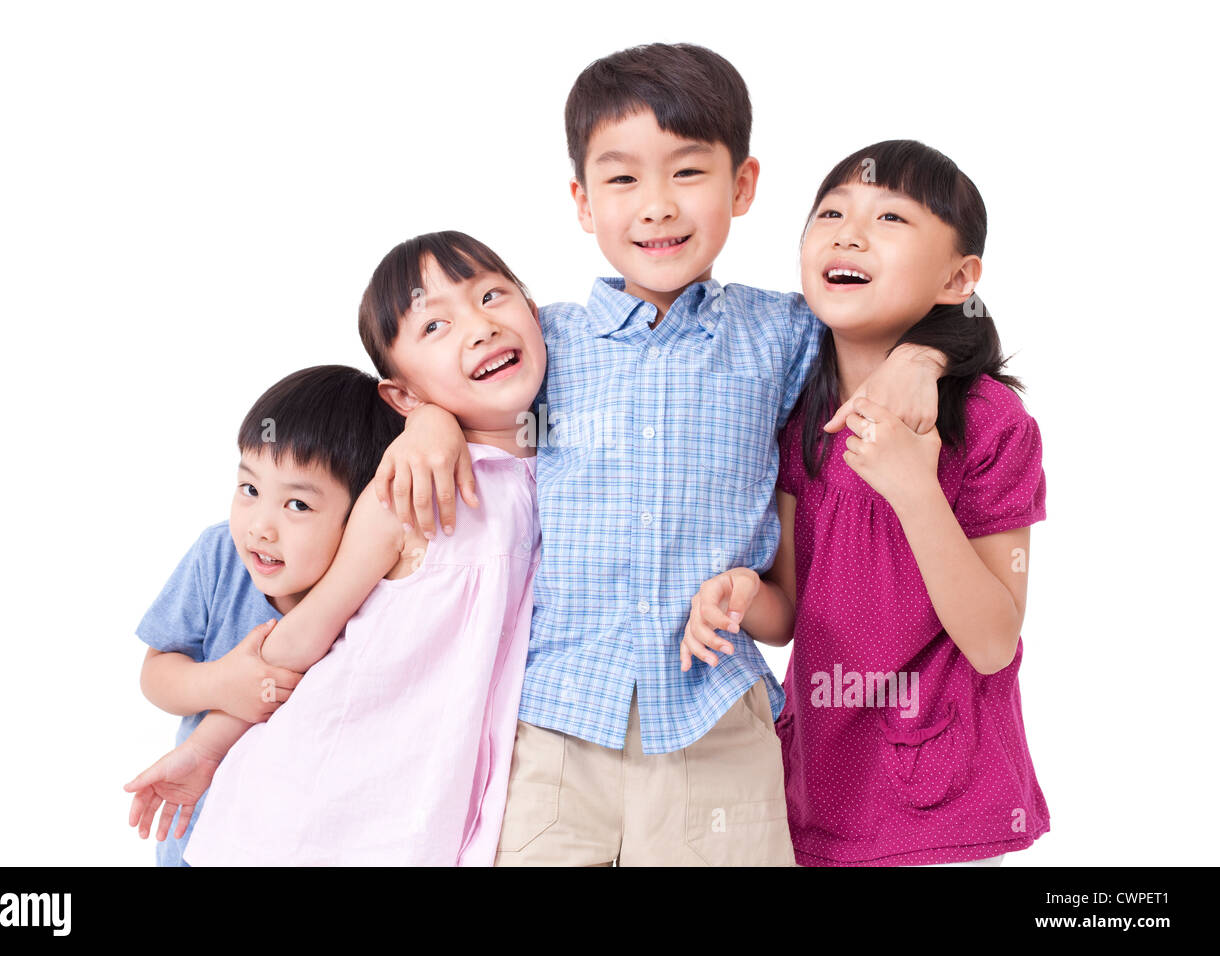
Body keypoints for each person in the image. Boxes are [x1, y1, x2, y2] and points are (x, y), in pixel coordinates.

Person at [373, 44, 971, 866]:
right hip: (554, 723)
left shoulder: (785, 333)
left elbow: (929, 310)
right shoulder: (544, 343)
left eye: (687, 173)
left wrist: (921, 358)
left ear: (743, 186)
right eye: (622, 180)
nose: (656, 206)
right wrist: (430, 424)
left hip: (713, 722)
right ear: (583, 202)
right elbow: (452, 385)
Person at [125, 231, 546, 865]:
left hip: (437, 807)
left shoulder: (566, 471)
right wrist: (208, 745)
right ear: (403, 397)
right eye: (436, 325)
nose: (480, 327)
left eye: (492, 296)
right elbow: (306, 638)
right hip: (322, 806)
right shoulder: (402, 492)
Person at [683, 140, 1048, 865]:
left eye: (890, 217)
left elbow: (992, 641)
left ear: (958, 279)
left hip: (940, 806)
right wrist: (739, 594)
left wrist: (914, 487)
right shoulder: (799, 423)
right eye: (831, 212)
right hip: (814, 796)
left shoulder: (986, 419)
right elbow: (789, 613)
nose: (849, 231)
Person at [133, 363, 403, 866]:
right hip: (197, 838)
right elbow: (155, 672)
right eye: (250, 489)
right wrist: (220, 684)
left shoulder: (375, 596)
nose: (260, 527)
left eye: (297, 505)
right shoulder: (219, 556)